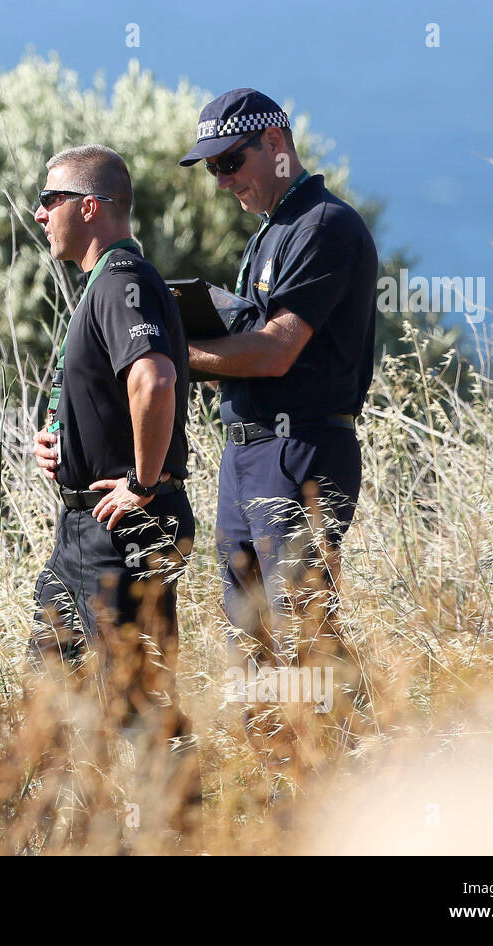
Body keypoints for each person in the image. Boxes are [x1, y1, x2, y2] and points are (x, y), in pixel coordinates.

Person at [179, 89, 378, 772]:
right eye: (213, 169)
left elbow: (276, 350)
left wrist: (169, 354)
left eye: (233, 161)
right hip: (249, 451)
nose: (226, 180)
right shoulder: (274, 230)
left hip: (299, 447)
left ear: (276, 142)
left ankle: (362, 779)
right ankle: (278, 784)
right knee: (250, 635)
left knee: (304, 628)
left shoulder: (322, 225)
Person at [30, 144, 194, 733]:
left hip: (122, 531)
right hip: (83, 534)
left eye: (50, 200)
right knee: (48, 695)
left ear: (91, 207)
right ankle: (80, 823)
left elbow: (154, 380)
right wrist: (57, 438)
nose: (40, 214)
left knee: (140, 708)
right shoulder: (106, 282)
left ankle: (177, 826)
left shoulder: (122, 281)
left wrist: (141, 484)